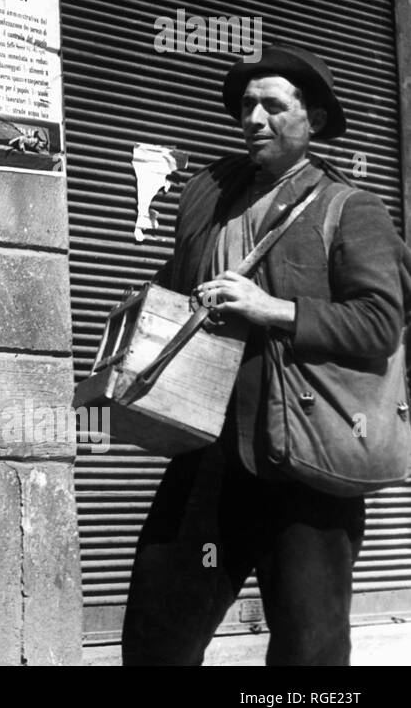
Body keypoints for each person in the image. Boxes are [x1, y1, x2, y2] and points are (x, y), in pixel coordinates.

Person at [122, 45, 406, 666]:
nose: (254, 118)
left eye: (274, 106)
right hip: (210, 455)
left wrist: (271, 309)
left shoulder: (349, 209)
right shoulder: (212, 198)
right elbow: (180, 283)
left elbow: (380, 323)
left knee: (309, 652)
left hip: (304, 461)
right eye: (247, 106)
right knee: (157, 633)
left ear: (315, 122)